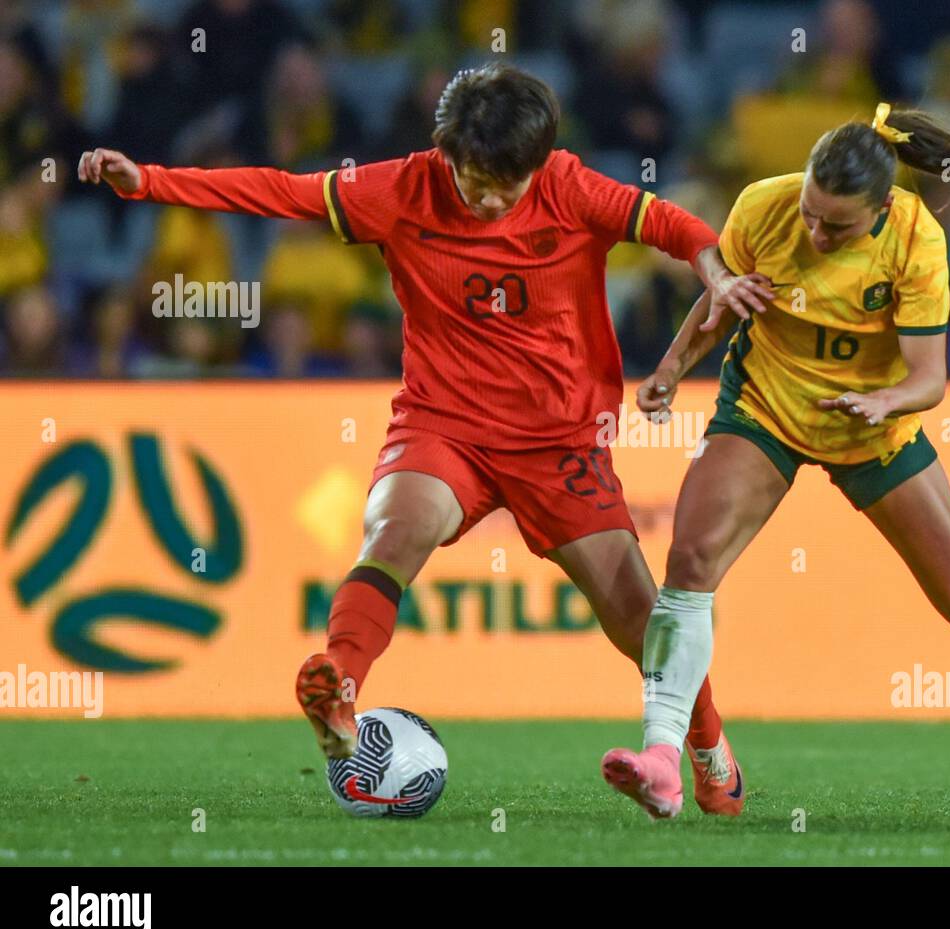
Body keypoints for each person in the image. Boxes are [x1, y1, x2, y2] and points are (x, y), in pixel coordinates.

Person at [80, 63, 775, 815]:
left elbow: (673, 224)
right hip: (444, 422)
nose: (485, 197)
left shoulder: (570, 186)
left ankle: (705, 745)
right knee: (393, 531)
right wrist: (147, 181)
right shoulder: (401, 189)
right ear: (446, 151)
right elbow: (283, 191)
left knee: (640, 614)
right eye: (472, 177)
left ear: (537, 164)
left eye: (503, 185)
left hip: (559, 440)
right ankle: (339, 687)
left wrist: (711, 266)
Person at [602, 103, 950, 823]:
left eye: (837, 225)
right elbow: (724, 302)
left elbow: (930, 378)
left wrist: (885, 403)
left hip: (872, 429)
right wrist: (672, 369)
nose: (817, 232)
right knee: (691, 562)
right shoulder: (763, 207)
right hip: (767, 408)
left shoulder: (918, 241)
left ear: (882, 208)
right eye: (811, 215)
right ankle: (667, 758)